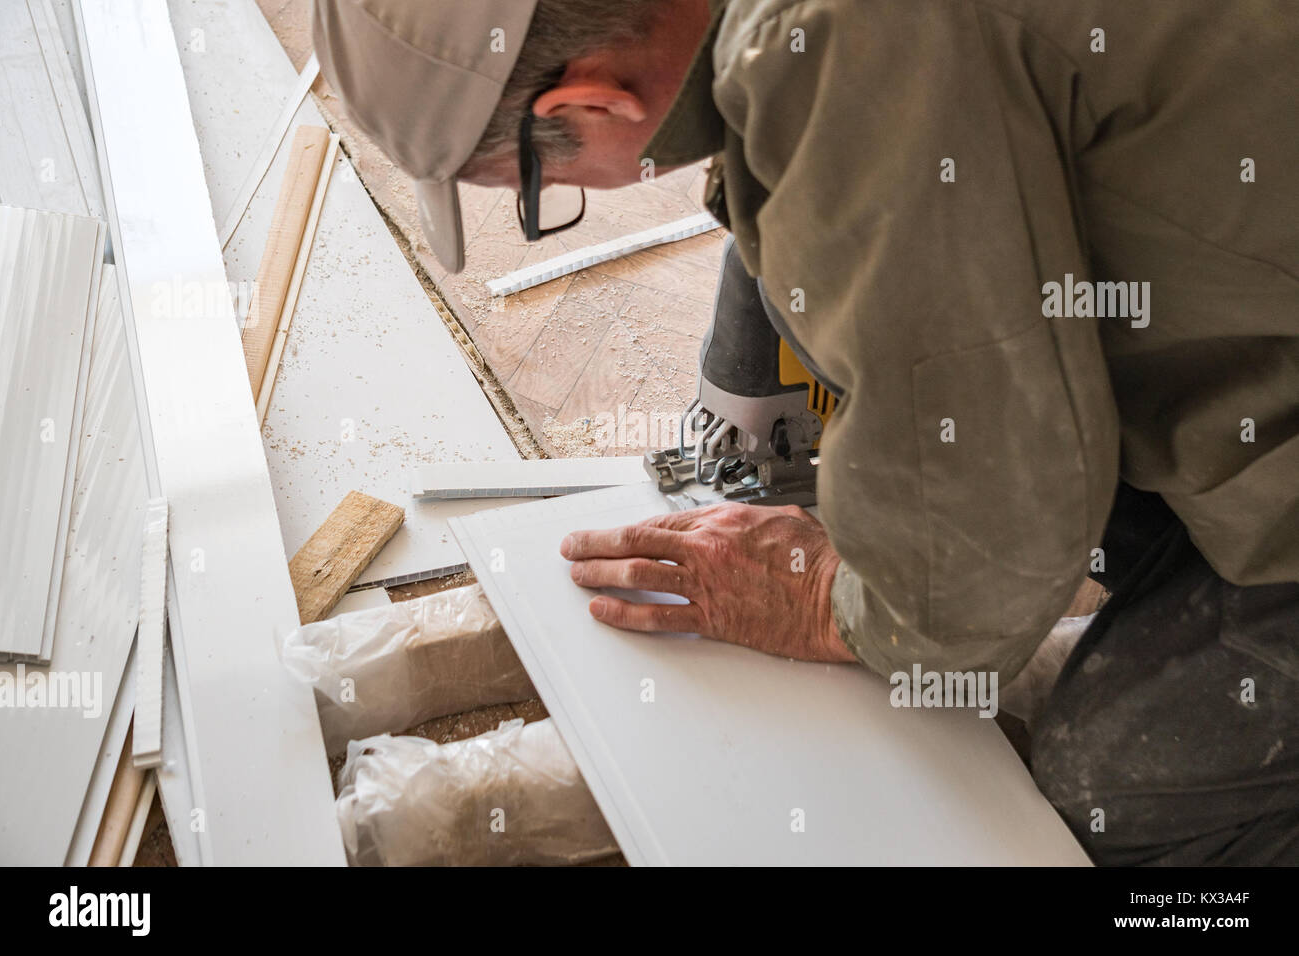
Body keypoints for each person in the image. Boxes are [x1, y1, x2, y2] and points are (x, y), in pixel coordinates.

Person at [313, 0, 1299, 863]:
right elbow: (807, 186)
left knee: (1108, 798)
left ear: (589, 106)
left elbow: (996, 523)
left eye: (531, 188)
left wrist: (831, 597)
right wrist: (740, 455)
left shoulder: (844, 48)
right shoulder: (803, 40)